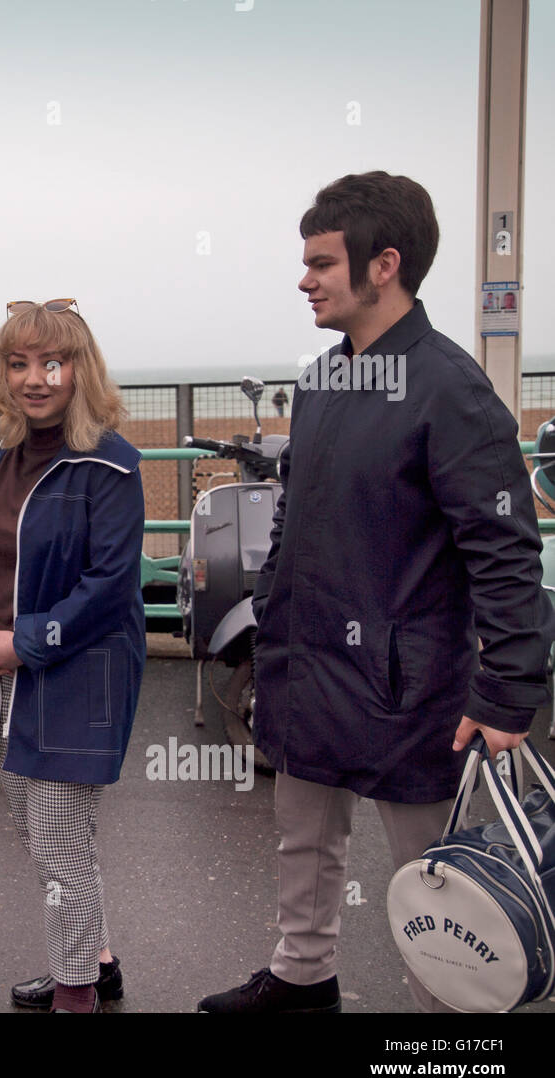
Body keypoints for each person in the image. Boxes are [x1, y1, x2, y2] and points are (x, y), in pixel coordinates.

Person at [198, 172, 555, 1014]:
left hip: (412, 685)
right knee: (303, 837)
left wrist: (506, 693)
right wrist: (278, 610)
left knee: (436, 883)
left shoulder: (452, 389)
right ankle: (302, 976)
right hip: (306, 666)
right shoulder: (322, 380)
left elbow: (506, 552)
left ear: (384, 264)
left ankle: (444, 1033)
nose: (304, 278)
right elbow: (294, 514)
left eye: (322, 262)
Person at [0, 301, 145, 1013]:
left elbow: (109, 586)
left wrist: (25, 644)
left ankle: (75, 996)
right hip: (5, 672)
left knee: (59, 848)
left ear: (79, 370)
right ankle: (96, 960)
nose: (35, 378)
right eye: (19, 362)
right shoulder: (0, 452)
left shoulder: (112, 463)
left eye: (52, 362)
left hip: (79, 673)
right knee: (41, 831)